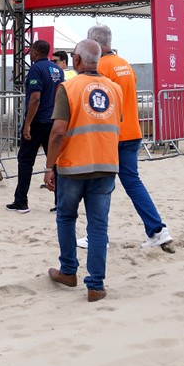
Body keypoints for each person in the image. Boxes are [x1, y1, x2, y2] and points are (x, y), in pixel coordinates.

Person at [80, 24, 174, 250]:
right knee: (132, 182)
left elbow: (97, 102)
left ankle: (97, 236)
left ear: (93, 43)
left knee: (99, 185)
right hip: (132, 132)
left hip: (113, 135)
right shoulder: (124, 64)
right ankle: (158, 230)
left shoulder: (101, 67)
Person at [43, 39, 122, 303]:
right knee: (98, 227)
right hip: (106, 164)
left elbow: (57, 133)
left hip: (73, 166)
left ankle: (68, 271)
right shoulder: (114, 89)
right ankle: (96, 286)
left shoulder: (69, 87)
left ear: (76, 60)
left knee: (66, 218)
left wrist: (48, 166)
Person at [7, 39, 63, 213]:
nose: (29, 54)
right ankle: (60, 202)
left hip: (38, 120)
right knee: (54, 161)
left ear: (36, 52)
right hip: (54, 120)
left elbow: (35, 98)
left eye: (30, 50)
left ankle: (21, 201)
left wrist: (27, 124)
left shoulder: (36, 69)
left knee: (25, 160)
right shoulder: (58, 70)